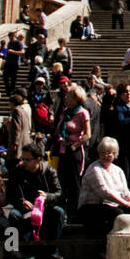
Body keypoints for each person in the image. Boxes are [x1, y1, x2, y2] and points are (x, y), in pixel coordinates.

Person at [4, 142, 67, 259]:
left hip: (44, 208)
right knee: (14, 215)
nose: (24, 163)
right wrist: (21, 201)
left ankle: (53, 250)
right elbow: (10, 195)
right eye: (23, 159)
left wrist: (47, 197)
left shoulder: (49, 172)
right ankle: (26, 251)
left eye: (28, 160)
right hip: (25, 209)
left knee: (58, 212)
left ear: (38, 160)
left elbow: (59, 194)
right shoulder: (17, 172)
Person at [78, 138, 130, 240]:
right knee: (118, 214)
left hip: (111, 205)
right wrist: (126, 204)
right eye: (102, 153)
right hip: (91, 207)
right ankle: (106, 248)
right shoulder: (94, 169)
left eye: (109, 153)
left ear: (114, 154)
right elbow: (105, 192)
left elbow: (125, 191)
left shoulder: (118, 170)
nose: (105, 156)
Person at [55, 85, 92, 213]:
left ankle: (75, 210)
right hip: (62, 150)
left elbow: (88, 134)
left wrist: (75, 145)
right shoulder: (65, 112)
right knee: (62, 180)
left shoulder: (82, 112)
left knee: (74, 182)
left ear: (76, 98)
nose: (65, 98)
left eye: (68, 96)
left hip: (74, 151)